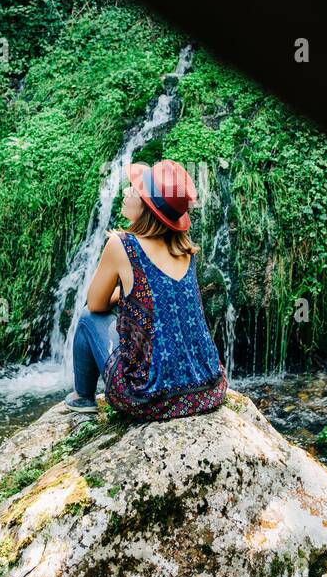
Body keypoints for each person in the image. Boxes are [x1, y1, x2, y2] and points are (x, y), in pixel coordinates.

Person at [64, 159, 227, 419]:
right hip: (208, 389)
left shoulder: (123, 245)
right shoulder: (185, 249)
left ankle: (83, 397)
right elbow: (159, 297)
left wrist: (119, 297)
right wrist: (126, 296)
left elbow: (95, 305)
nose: (127, 191)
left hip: (148, 398)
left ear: (148, 207)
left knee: (86, 319)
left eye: (135, 189)